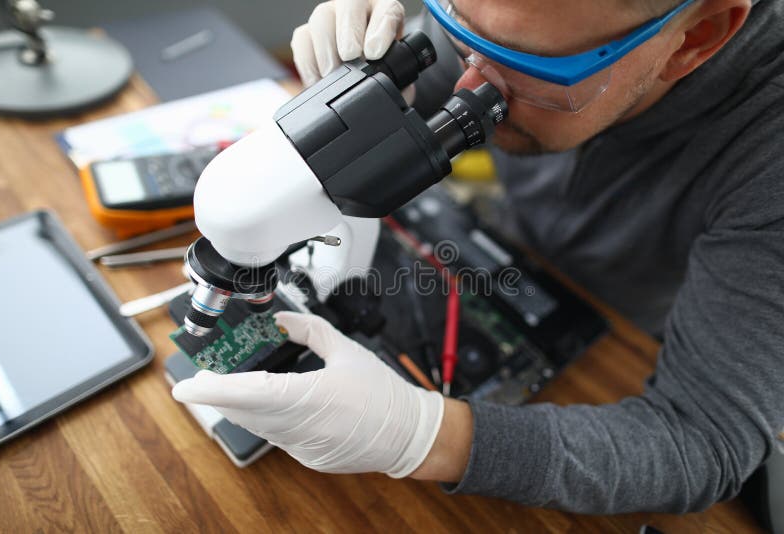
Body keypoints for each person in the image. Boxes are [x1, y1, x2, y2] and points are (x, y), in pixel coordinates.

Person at [173, 0, 784, 514]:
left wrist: (421, 435)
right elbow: (434, 90)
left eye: (524, 64)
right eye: (460, 31)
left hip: (640, 334)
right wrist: (353, 99)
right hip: (505, 247)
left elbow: (701, 441)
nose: (470, 84)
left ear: (693, 39)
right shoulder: (514, 20)